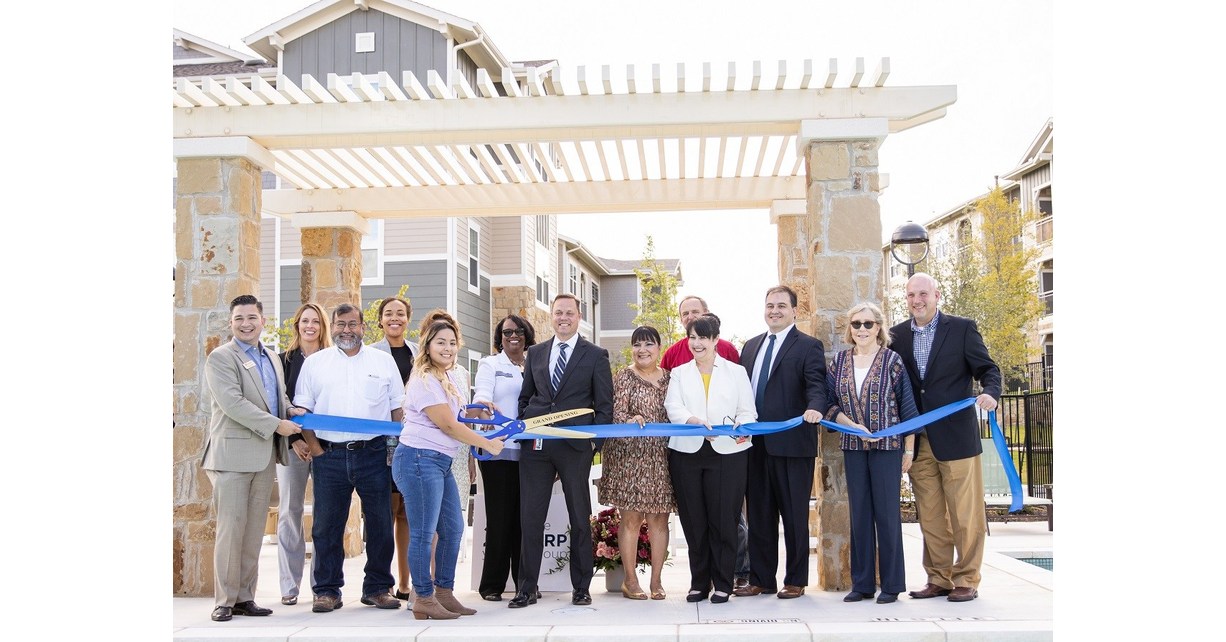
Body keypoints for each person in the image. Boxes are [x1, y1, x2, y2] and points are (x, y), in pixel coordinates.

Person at [889, 273, 1001, 603]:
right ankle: (938, 578)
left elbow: (988, 370)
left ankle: (966, 578)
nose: (917, 300)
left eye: (923, 294)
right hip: (919, 441)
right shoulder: (896, 335)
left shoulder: (962, 328)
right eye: (911, 295)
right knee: (931, 516)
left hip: (957, 439)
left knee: (965, 514)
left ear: (937, 295)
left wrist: (991, 393)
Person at [293, 303, 405, 613]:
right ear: (332, 327)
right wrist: (316, 450)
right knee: (326, 526)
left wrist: (393, 450)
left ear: (363, 327)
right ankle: (327, 591)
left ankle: (378, 588)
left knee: (381, 523)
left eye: (352, 324)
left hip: (374, 454)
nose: (346, 330)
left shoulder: (383, 362)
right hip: (329, 455)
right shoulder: (315, 364)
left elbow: (397, 407)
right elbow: (303, 411)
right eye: (341, 324)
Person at [394, 318, 508, 620]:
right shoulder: (423, 379)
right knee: (423, 534)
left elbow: (455, 413)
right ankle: (423, 597)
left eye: (452, 343)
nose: (448, 348)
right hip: (419, 460)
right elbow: (447, 424)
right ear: (428, 345)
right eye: (441, 342)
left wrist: (477, 410)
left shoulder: (447, 377)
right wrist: (487, 443)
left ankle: (443, 592)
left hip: (439, 462)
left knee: (454, 529)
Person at [201, 295, 304, 622]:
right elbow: (233, 404)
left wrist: (290, 409)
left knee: (252, 531)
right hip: (232, 458)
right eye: (239, 319)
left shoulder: (272, 357)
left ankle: (245, 597)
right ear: (231, 322)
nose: (245, 324)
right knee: (230, 530)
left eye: (251, 318)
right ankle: (224, 601)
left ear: (262, 321)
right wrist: (277, 425)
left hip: (263, 456)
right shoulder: (221, 357)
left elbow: (277, 396)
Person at [510, 293, 614, 609]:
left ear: (579, 317)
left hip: (575, 447)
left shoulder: (595, 355)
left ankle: (581, 588)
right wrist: (528, 426)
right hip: (537, 446)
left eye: (569, 312)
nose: (563, 317)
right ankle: (527, 588)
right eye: (558, 312)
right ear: (551, 316)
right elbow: (525, 398)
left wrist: (593, 444)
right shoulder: (536, 352)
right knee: (531, 518)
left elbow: (604, 406)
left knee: (579, 518)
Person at [735, 284, 828, 600]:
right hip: (755, 446)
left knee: (794, 516)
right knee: (759, 516)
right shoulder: (751, 347)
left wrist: (815, 407)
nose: (774, 311)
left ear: (794, 311)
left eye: (781, 306)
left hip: (793, 445)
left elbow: (817, 386)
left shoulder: (808, 346)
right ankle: (761, 579)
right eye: (770, 306)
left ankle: (796, 580)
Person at [825, 302, 920, 604]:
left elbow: (908, 408)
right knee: (860, 515)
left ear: (879, 327)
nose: (862, 329)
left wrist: (908, 450)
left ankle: (891, 584)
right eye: (856, 324)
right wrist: (851, 425)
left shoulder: (892, 360)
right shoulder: (840, 361)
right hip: (854, 447)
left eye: (868, 323)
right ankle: (863, 583)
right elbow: (829, 403)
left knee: (887, 516)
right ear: (850, 329)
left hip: (888, 448)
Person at [657, 296, 751, 589]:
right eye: (692, 338)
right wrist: (692, 422)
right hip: (687, 453)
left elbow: (747, 410)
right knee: (694, 521)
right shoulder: (679, 373)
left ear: (715, 340)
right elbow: (672, 406)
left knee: (724, 521)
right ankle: (699, 583)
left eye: (703, 338)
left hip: (727, 454)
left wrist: (740, 425)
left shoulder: (736, 372)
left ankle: (723, 584)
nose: (697, 344)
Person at [596, 325, 675, 601]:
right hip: (629, 458)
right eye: (637, 344)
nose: (643, 350)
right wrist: (630, 420)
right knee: (631, 518)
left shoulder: (670, 379)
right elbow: (615, 413)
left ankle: (657, 581)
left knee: (659, 520)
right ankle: (630, 581)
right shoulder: (624, 377)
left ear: (659, 348)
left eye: (649, 344)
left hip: (661, 458)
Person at [471, 314, 536, 601]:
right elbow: (482, 396)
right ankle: (491, 585)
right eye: (507, 332)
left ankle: (524, 584)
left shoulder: (535, 364)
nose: (513, 336)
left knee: (525, 520)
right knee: (499, 519)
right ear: (500, 337)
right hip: (496, 451)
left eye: (518, 331)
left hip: (530, 453)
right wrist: (483, 407)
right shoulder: (490, 364)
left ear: (527, 335)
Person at [275, 302, 331, 606]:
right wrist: (296, 439)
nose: (310, 326)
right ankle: (289, 584)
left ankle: (321, 585)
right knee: (289, 512)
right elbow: (276, 402)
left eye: (316, 321)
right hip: (292, 446)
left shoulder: (332, 360)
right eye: (305, 321)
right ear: (297, 325)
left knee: (325, 515)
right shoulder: (282, 361)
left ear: (323, 327)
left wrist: (317, 443)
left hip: (325, 447)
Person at [369, 296, 418, 602]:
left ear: (408, 318)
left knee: (407, 513)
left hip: (414, 439)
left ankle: (404, 583)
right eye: (388, 313)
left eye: (400, 313)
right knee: (384, 511)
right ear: (380, 320)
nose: (394, 318)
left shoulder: (419, 353)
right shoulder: (371, 354)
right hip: (381, 442)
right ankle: (381, 582)